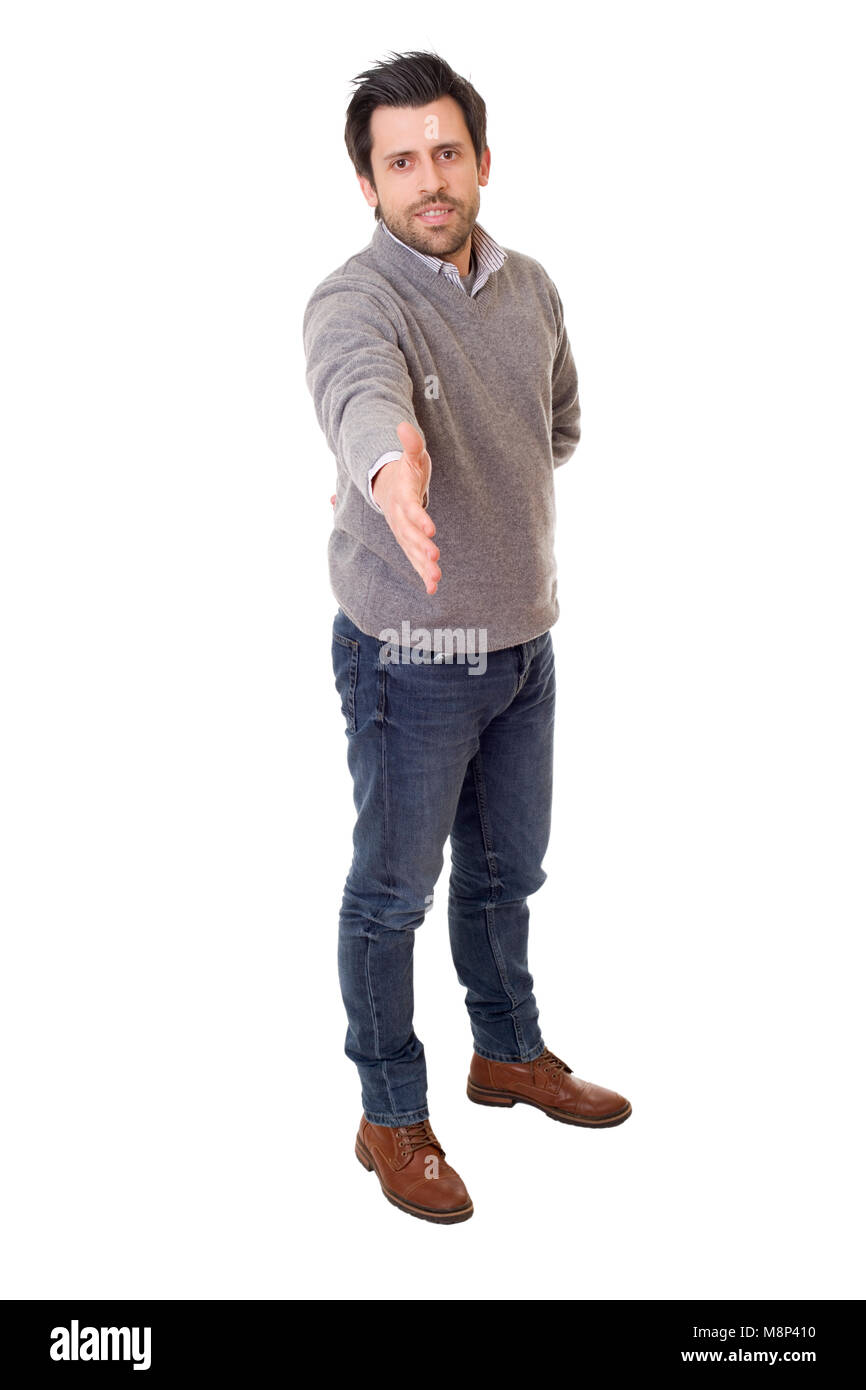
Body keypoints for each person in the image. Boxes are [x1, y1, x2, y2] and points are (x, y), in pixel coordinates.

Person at [303, 50, 631, 1225]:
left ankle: (507, 1054)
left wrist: (493, 521)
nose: (428, 179)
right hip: (411, 656)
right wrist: (389, 466)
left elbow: (559, 424)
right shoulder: (356, 299)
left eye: (447, 152)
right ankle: (391, 1114)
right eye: (401, 161)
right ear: (368, 182)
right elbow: (357, 390)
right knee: (392, 893)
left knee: (505, 876)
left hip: (524, 644)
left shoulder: (532, 285)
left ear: (481, 162)